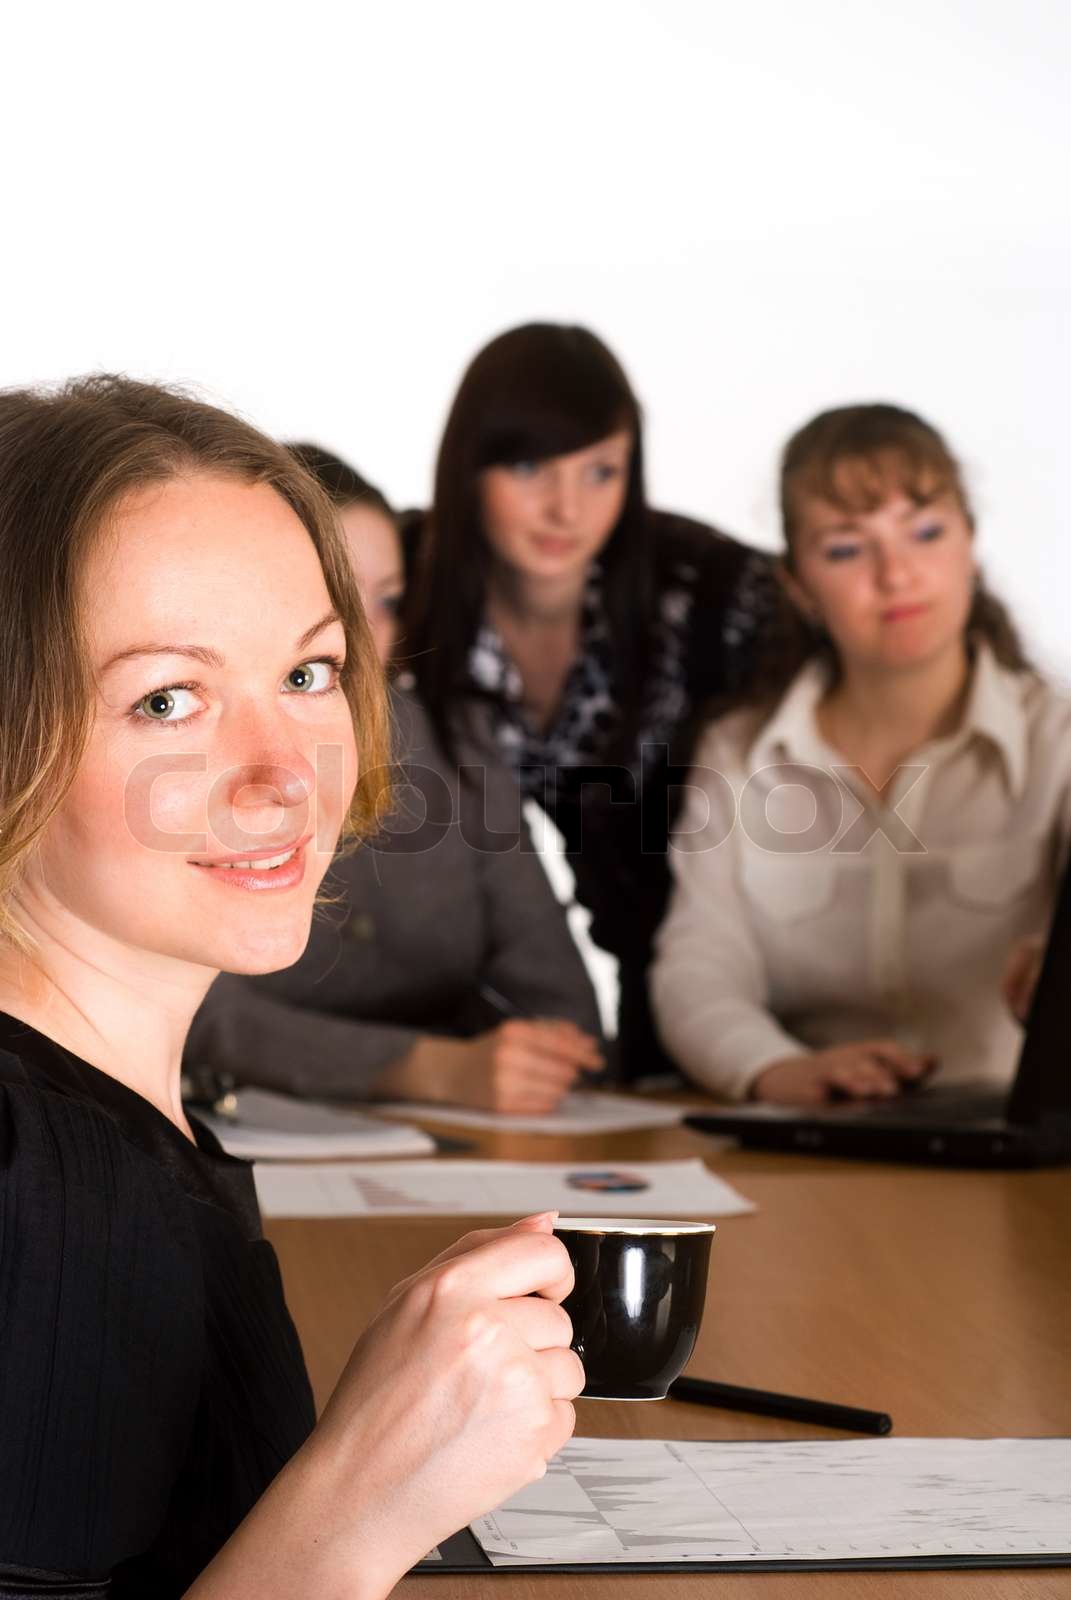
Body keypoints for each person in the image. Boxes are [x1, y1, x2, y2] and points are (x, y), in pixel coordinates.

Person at [0, 376, 583, 1597]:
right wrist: (367, 1486)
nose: (284, 774)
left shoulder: (114, 1130)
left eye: (311, 675)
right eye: (169, 698)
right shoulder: (53, 1196)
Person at [651, 402, 1071, 1106]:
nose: (896, 574)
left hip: (1013, 1131)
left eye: (926, 532)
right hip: (808, 1135)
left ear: (970, 542)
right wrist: (773, 1069)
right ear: (796, 585)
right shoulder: (738, 752)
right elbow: (698, 968)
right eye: (846, 548)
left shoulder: (1055, 739)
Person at [186, 444, 603, 1114]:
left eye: (387, 601)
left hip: (450, 1150)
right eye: (337, 599)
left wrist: (536, 1061)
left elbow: (564, 1010)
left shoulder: (452, 736)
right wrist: (421, 1067)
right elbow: (180, 1010)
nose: (366, 638)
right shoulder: (186, 747)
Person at [403, 322, 772, 1078]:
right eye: (532, 467)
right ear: (469, 467)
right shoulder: (394, 582)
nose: (566, 509)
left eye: (600, 472)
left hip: (699, 955)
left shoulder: (708, 591)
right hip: (445, 982)